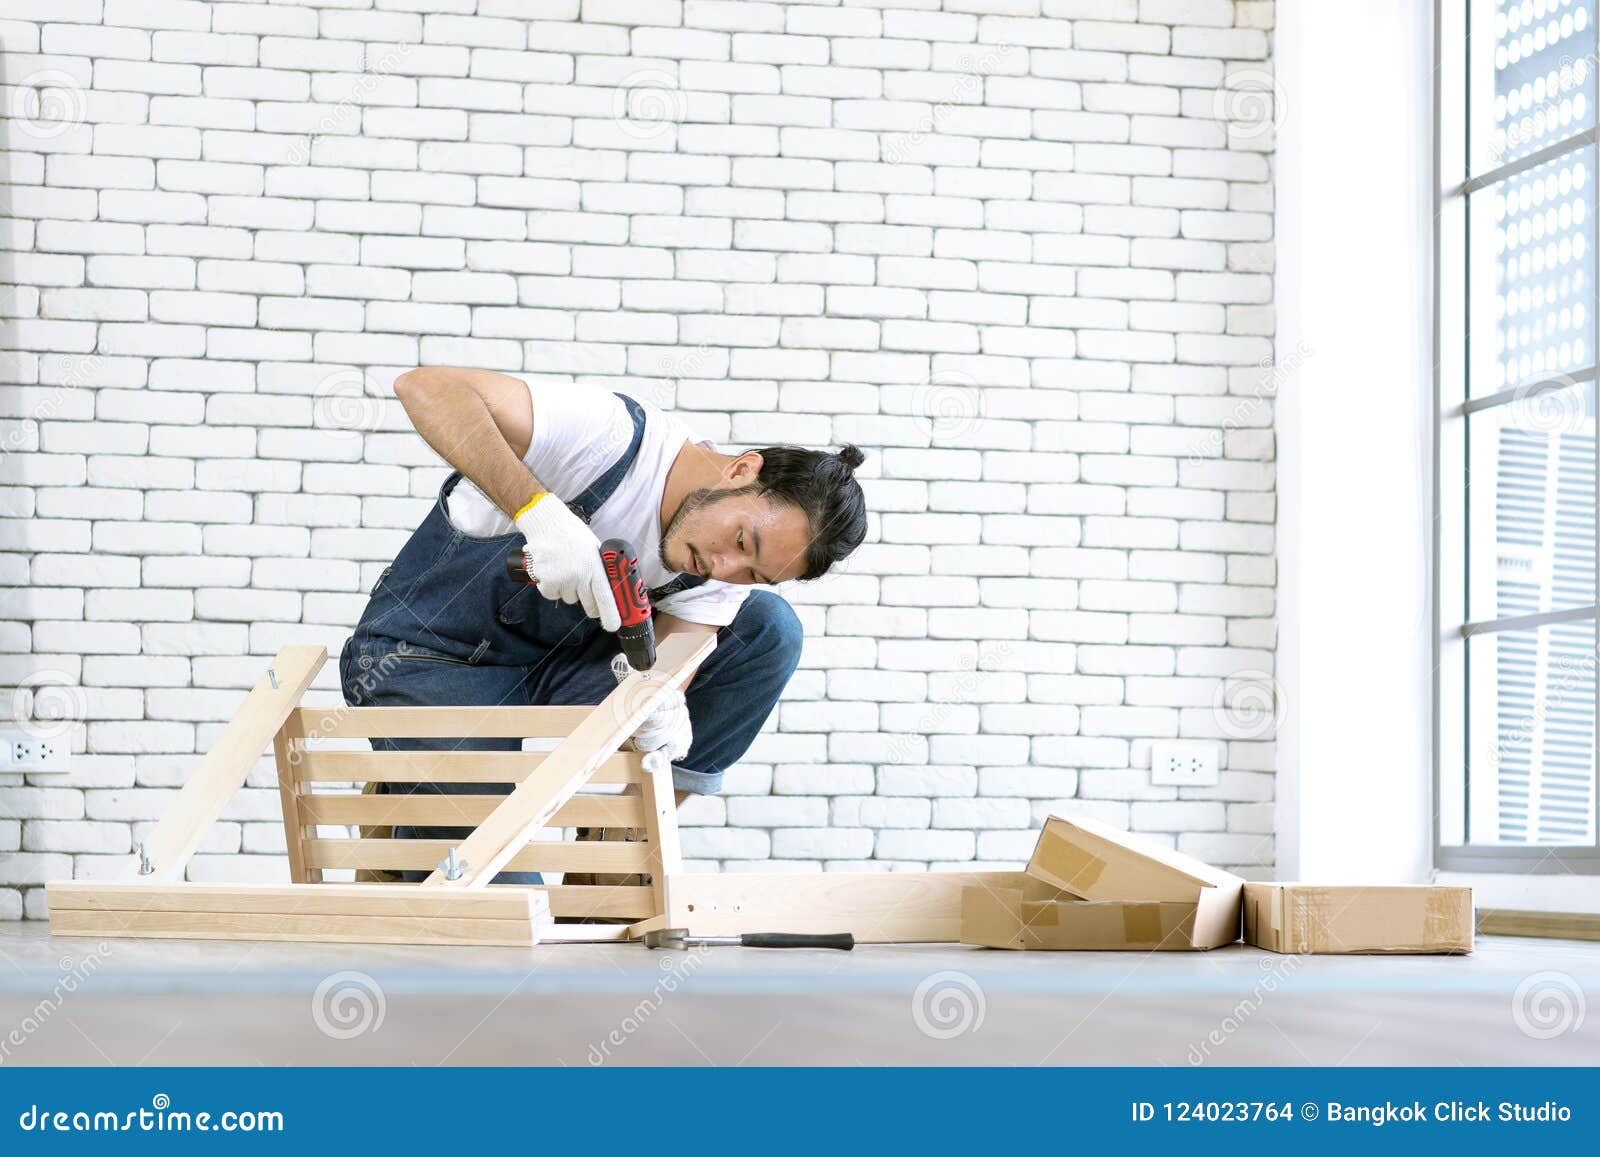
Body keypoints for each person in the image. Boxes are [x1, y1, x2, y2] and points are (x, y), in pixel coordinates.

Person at [338, 367, 868, 884]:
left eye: (755, 573)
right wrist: (538, 512)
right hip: (429, 659)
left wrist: (658, 702)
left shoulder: (722, 572)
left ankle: (613, 856)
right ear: (740, 471)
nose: (725, 571)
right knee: (498, 897)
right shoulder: (609, 438)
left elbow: (669, 669)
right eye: (741, 542)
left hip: (554, 671)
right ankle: (408, 810)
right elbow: (426, 387)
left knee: (768, 629)